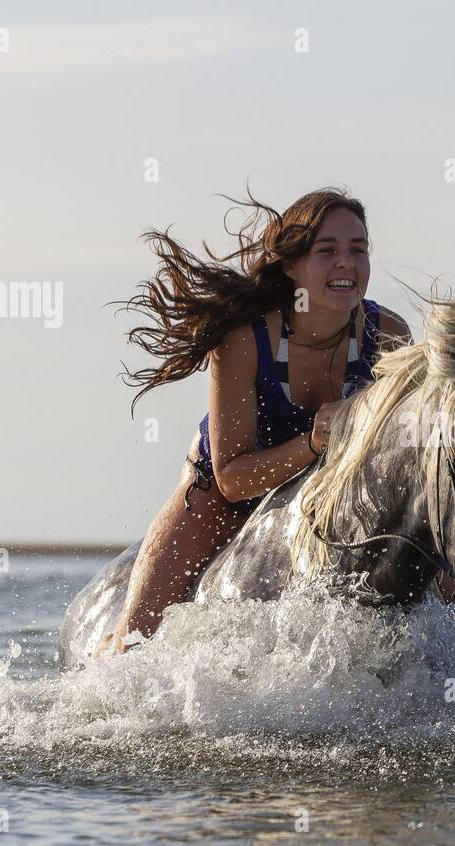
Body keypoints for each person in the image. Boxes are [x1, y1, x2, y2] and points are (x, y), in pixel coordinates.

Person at [96, 187, 412, 655]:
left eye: (358, 250)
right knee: (135, 641)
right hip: (224, 489)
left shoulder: (389, 334)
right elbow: (232, 479)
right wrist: (314, 441)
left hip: (331, 496)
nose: (346, 263)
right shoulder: (244, 337)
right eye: (327, 251)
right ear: (291, 266)